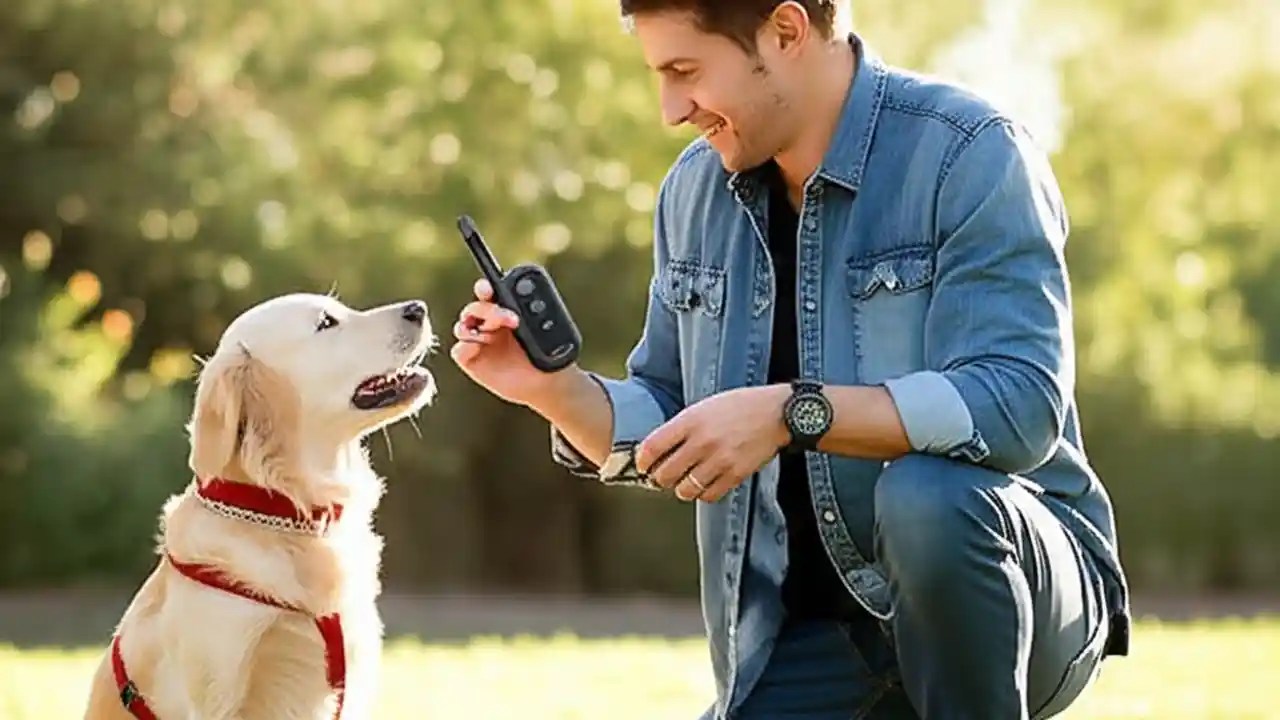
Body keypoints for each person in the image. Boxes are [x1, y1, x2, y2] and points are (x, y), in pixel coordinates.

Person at [450, 1, 1130, 718]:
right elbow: (669, 422)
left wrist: (790, 412)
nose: (671, 109)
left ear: (785, 31)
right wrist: (549, 389)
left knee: (927, 497)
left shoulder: (970, 153)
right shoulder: (693, 192)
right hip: (808, 640)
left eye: (685, 71)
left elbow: (1018, 404)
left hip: (1020, 598)